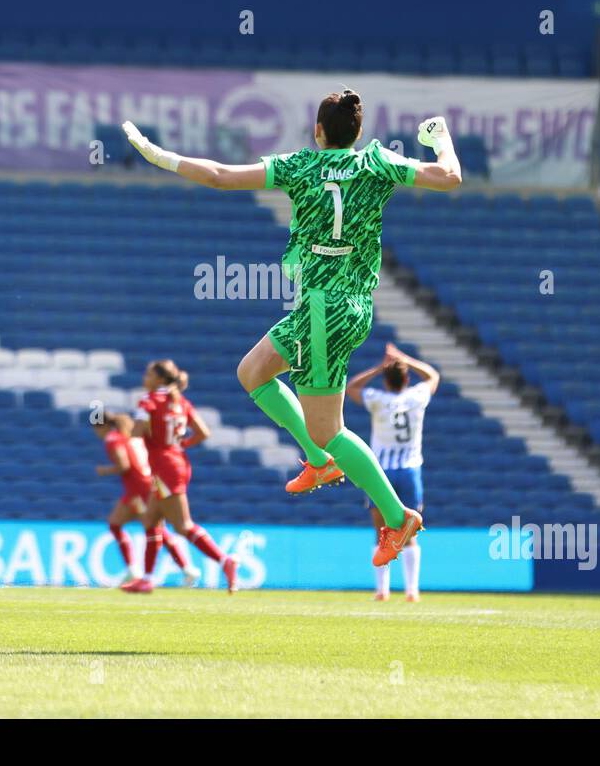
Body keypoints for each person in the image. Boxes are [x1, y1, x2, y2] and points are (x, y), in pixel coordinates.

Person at [122, 89, 461, 566]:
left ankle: (396, 515)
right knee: (253, 372)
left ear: (318, 132)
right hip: (338, 307)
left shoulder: (300, 166)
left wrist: (161, 157)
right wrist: (440, 137)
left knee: (329, 431)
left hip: (324, 310)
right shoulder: (379, 162)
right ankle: (320, 463)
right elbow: (449, 177)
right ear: (358, 134)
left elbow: (220, 176)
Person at [123, 360, 238, 593]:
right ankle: (146, 579)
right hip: (177, 462)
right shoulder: (180, 401)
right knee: (151, 520)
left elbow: (136, 434)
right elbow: (203, 432)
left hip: (164, 467)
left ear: (159, 380)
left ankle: (225, 560)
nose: (144, 379)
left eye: (148, 375)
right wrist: (180, 444)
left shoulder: (149, 402)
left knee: (183, 525)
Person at [347, 342, 439, 601]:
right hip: (410, 471)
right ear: (407, 378)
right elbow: (433, 376)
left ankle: (382, 590)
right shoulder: (416, 397)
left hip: (381, 473)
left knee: (382, 532)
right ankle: (412, 590)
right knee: (408, 531)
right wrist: (405, 359)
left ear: (386, 381)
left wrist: (378, 368)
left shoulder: (378, 400)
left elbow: (352, 387)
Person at [92, 411, 200, 587]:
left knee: (155, 530)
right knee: (115, 523)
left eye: (96, 429)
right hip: (139, 486)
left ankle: (187, 568)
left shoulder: (112, 439)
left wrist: (105, 470)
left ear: (101, 426)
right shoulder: (128, 435)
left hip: (139, 488)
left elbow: (124, 465)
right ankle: (133, 569)